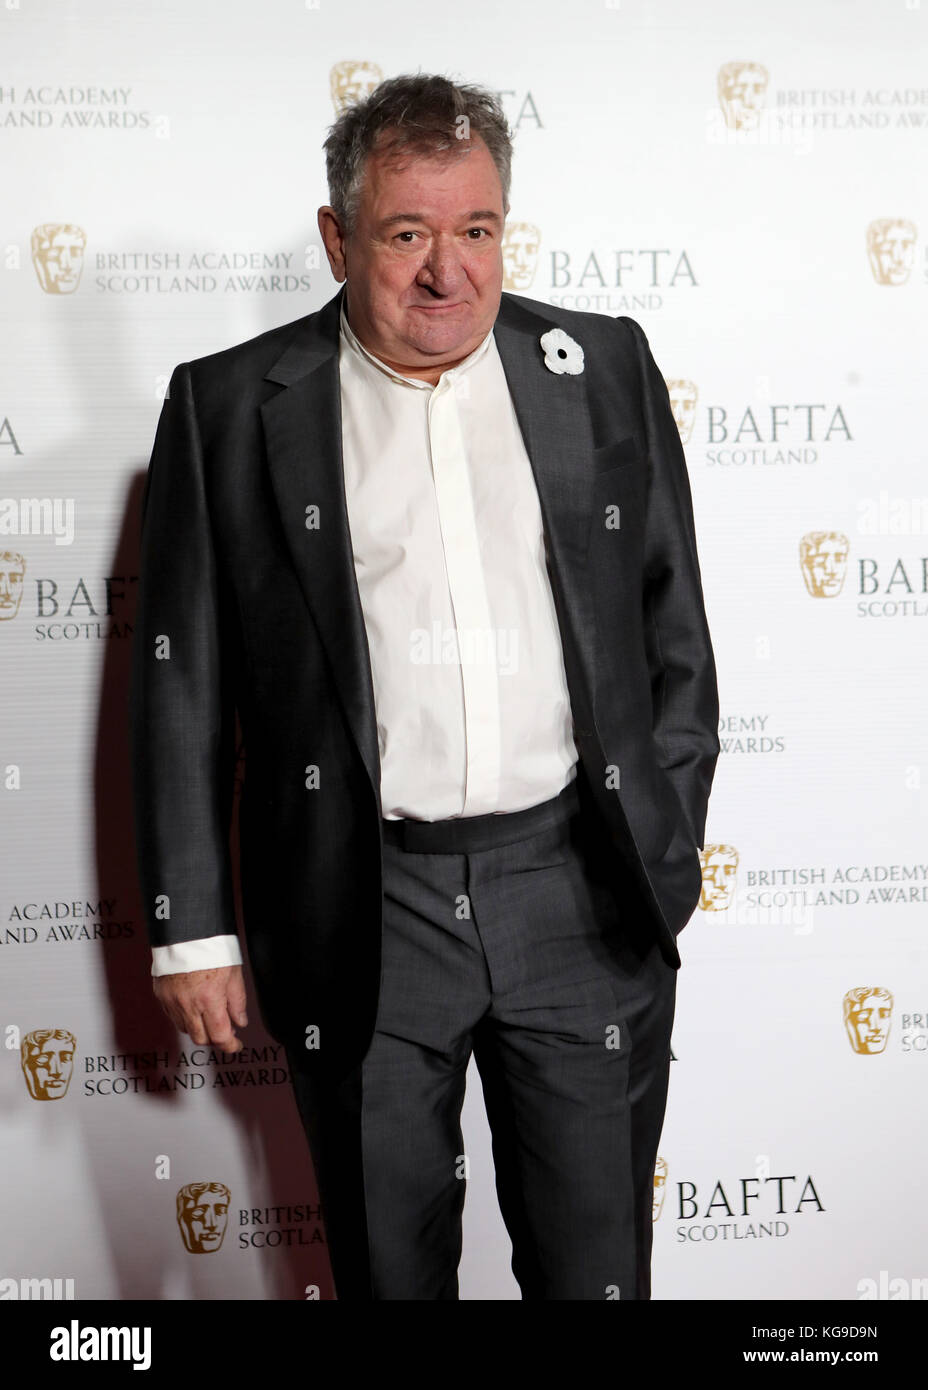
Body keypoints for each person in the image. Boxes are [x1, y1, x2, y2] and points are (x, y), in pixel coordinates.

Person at [129, 72, 720, 1301]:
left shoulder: (597, 366)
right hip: (364, 904)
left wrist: (664, 839)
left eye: (477, 230)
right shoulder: (231, 406)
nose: (446, 272)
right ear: (338, 238)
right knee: (388, 1271)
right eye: (406, 235)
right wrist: (193, 926)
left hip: (576, 890)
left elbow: (670, 626)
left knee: (597, 1268)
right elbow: (183, 681)